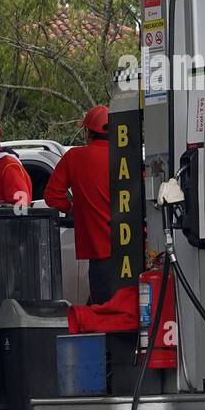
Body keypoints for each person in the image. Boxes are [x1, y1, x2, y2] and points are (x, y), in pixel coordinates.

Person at [44, 106, 119, 305]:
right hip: (133, 250)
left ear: (87, 132)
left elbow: (52, 195)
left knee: (105, 314)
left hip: (99, 253)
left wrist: (73, 209)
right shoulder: (125, 157)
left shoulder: (74, 158)